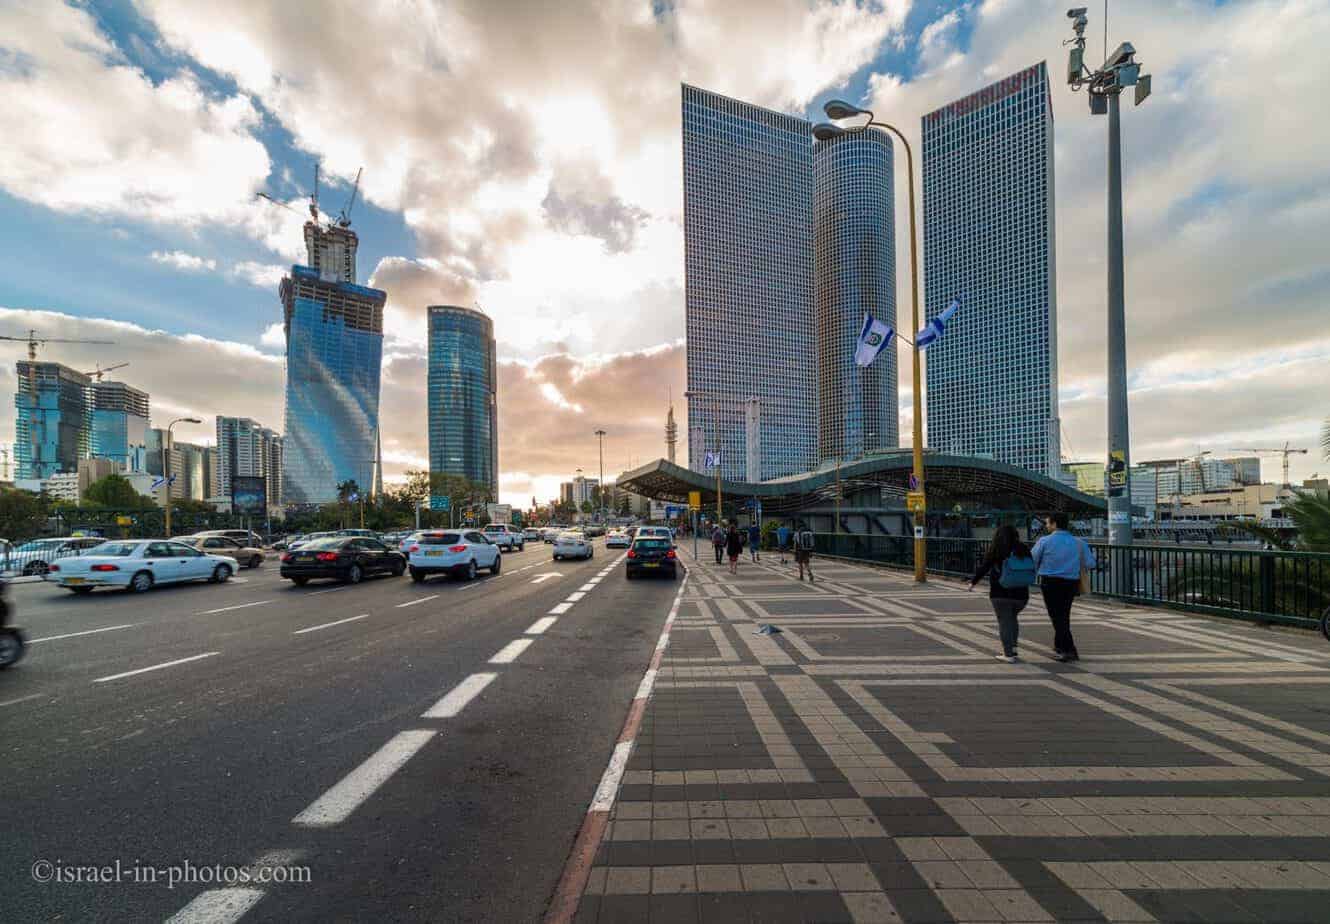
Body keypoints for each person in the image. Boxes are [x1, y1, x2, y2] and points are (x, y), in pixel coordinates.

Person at [1031, 511, 1096, 662]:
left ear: (1054, 524)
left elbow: (1033, 559)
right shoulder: (1079, 542)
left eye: (1047, 523)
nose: (1047, 526)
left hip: (1050, 582)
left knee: (1056, 617)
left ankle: (1069, 650)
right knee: (1063, 614)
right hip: (1071, 583)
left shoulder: (1044, 541)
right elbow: (1090, 563)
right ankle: (1059, 645)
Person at [967, 525, 1035, 663]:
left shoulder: (996, 549)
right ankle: (1014, 648)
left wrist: (973, 582)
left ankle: (1008, 654)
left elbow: (984, 567)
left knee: (1004, 621)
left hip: (1000, 592)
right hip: (1021, 594)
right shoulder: (1023, 548)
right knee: (1012, 618)